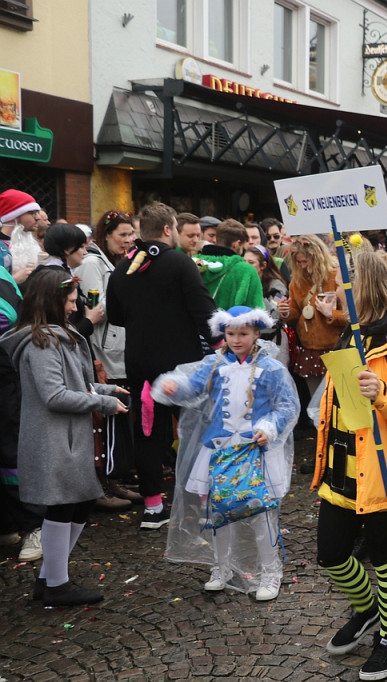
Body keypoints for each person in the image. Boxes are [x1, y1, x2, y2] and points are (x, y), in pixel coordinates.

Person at [312, 249, 387, 681]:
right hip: (344, 466)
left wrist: (381, 391)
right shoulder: (351, 333)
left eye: (342, 284)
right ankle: (365, 611)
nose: (335, 292)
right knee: (331, 554)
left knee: (384, 558)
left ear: (362, 287)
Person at [0, 269, 129, 605]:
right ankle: (56, 586)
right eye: (70, 302)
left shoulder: (58, 336)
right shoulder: (42, 343)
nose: (74, 308)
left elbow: (74, 384)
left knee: (79, 503)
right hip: (55, 440)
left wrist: (105, 388)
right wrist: (103, 402)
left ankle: (49, 579)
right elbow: (54, 395)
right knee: (64, 506)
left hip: (68, 439)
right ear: (53, 301)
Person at [152, 306, 298, 601]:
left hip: (256, 451)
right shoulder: (215, 364)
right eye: (230, 334)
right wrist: (173, 387)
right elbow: (193, 388)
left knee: (262, 514)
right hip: (220, 450)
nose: (236, 339)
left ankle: (271, 571)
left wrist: (269, 428)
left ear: (257, 333)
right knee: (219, 512)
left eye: (243, 333)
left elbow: (286, 406)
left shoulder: (271, 369)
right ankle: (222, 566)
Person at [106, 202, 218, 529]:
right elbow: (204, 312)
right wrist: (223, 349)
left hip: (140, 362)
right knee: (195, 431)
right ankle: (201, 503)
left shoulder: (123, 267)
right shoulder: (180, 263)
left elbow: (115, 317)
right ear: (168, 229)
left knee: (148, 435)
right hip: (183, 366)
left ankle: (153, 508)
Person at [78, 211, 140, 506]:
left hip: (120, 347)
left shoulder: (118, 262)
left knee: (117, 420)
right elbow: (95, 308)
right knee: (105, 422)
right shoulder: (93, 263)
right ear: (106, 234)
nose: (128, 240)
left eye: (131, 234)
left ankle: (115, 480)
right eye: (123, 235)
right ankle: (102, 484)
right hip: (105, 350)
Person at [278, 235, 348, 399]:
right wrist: (286, 312)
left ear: (318, 257)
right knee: (317, 407)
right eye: (299, 262)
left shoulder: (337, 276)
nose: (302, 266)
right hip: (310, 350)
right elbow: (295, 314)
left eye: (306, 261)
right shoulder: (297, 281)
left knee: (339, 401)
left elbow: (353, 316)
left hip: (336, 348)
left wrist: (331, 314)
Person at [194, 219, 265, 311]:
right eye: (243, 248)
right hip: (229, 324)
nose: (242, 252)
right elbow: (256, 310)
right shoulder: (246, 270)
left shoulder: (193, 263)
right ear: (236, 244)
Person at [0, 189, 42, 284]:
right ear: (13, 215)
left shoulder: (30, 242)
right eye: (32, 213)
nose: (38, 217)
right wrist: (13, 280)